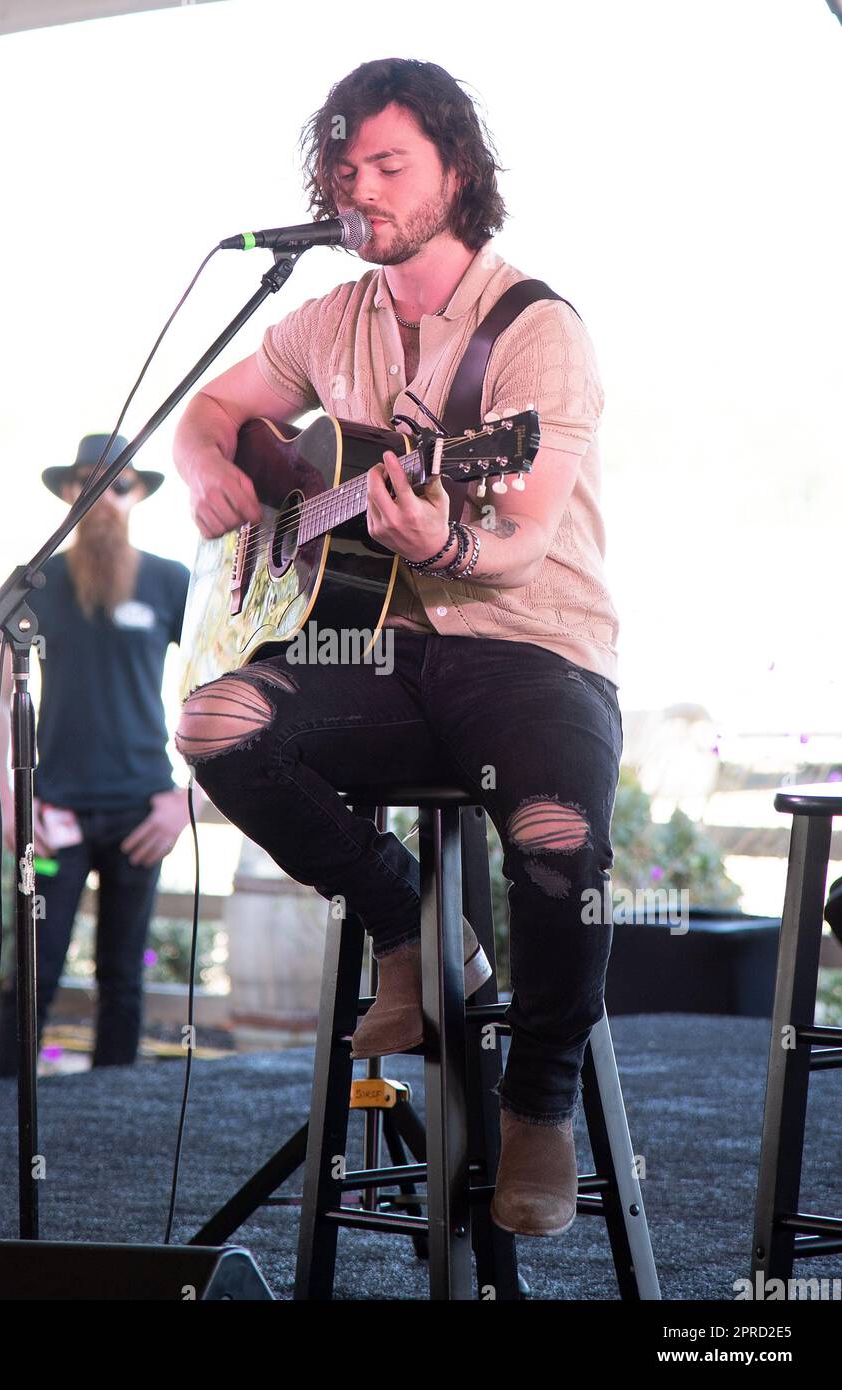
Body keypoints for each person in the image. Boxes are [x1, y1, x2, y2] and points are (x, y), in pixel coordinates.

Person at [172, 58, 623, 1238]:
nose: (358, 186)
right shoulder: (329, 318)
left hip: (531, 649)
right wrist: (214, 470)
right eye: (344, 167)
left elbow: (520, 539)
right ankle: (407, 922)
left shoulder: (534, 330)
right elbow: (209, 412)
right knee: (214, 719)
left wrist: (444, 538)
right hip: (378, 653)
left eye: (387, 165)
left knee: (558, 839)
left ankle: (537, 1106)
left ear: (455, 173)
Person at [0, 434, 192, 1076]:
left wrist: (188, 798)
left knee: (124, 978)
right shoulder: (34, 585)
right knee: (32, 975)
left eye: (120, 484)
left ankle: (114, 1121)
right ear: (68, 493)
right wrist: (11, 810)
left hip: (142, 813)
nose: (104, 496)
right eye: (89, 484)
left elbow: (223, 689)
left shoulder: (170, 581)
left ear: (138, 496)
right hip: (55, 818)